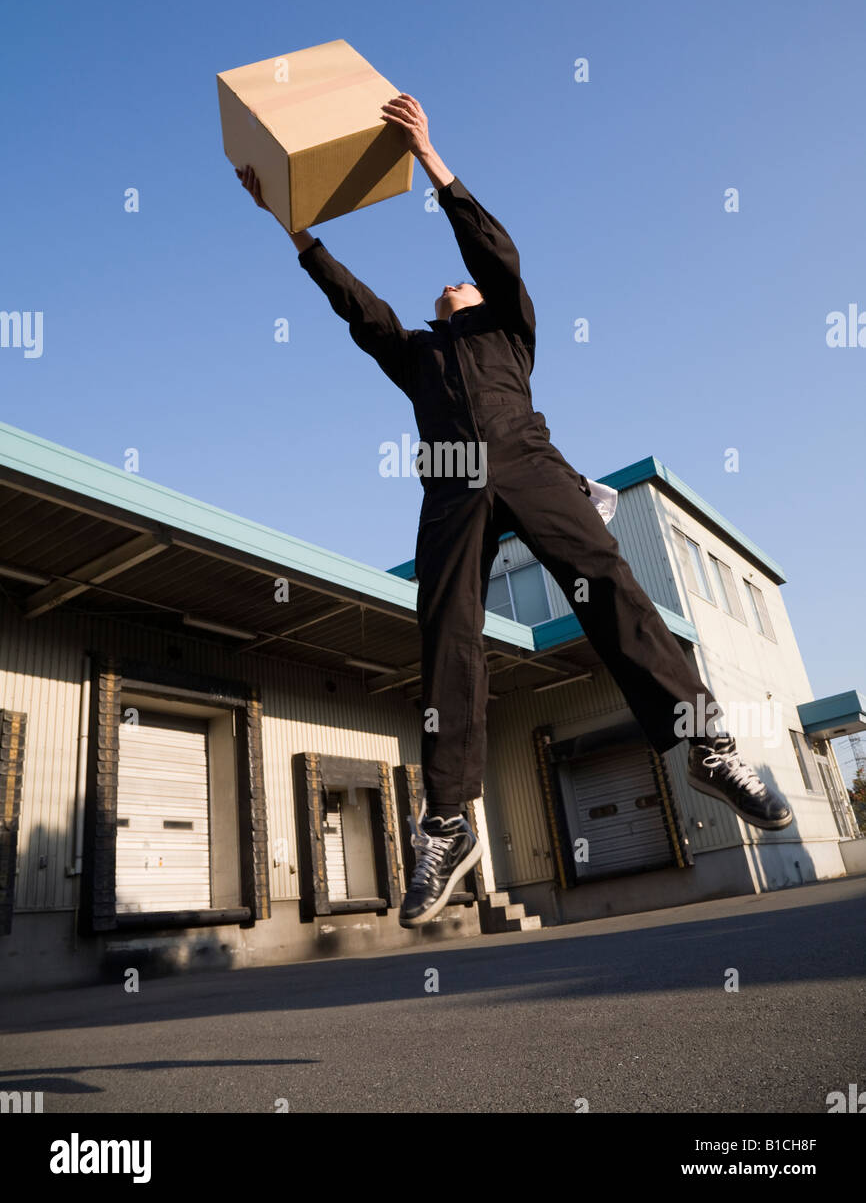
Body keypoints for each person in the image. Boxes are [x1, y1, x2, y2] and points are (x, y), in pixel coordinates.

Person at [236, 93, 792, 931]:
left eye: (462, 282)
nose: (452, 282)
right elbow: (360, 311)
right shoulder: (417, 354)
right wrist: (297, 233)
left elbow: (496, 253)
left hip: (527, 457)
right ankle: (449, 819)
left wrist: (431, 158)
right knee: (447, 628)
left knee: (603, 579)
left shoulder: (512, 331)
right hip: (452, 479)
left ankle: (707, 746)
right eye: (446, 285)